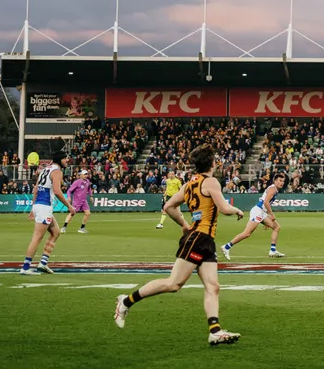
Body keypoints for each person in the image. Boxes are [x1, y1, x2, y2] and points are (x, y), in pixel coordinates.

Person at [113, 145, 244, 346]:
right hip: (199, 238)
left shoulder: (189, 184)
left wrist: (184, 224)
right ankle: (126, 301)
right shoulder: (211, 182)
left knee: (213, 286)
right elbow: (224, 208)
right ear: (212, 163)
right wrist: (237, 210)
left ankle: (215, 331)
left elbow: (168, 207)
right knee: (173, 284)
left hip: (204, 240)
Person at [21, 155, 71, 274]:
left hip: (39, 205)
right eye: (65, 158)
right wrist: (69, 206)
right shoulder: (57, 171)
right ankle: (25, 268)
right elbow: (58, 192)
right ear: (59, 159)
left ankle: (43, 263)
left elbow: (36, 189)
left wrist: (33, 207)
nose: (67, 160)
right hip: (45, 207)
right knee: (37, 238)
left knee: (56, 232)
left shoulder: (45, 170)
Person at [222, 173, 287, 259]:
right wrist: (271, 215)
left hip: (261, 212)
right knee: (247, 233)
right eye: (280, 180)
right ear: (275, 181)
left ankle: (273, 251)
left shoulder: (273, 188)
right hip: (258, 211)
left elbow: (265, 203)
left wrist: (266, 218)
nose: (281, 183)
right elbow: (266, 202)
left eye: (283, 181)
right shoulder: (273, 189)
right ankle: (226, 247)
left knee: (277, 227)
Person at [62, 169, 92, 234]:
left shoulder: (87, 181)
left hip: (84, 200)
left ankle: (82, 228)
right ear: (81, 175)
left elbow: (89, 188)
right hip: (77, 201)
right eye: (85, 174)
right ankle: (64, 227)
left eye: (87, 174)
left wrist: (91, 196)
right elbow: (69, 191)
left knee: (88, 213)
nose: (86, 176)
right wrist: (69, 197)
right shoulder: (77, 182)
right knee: (72, 213)